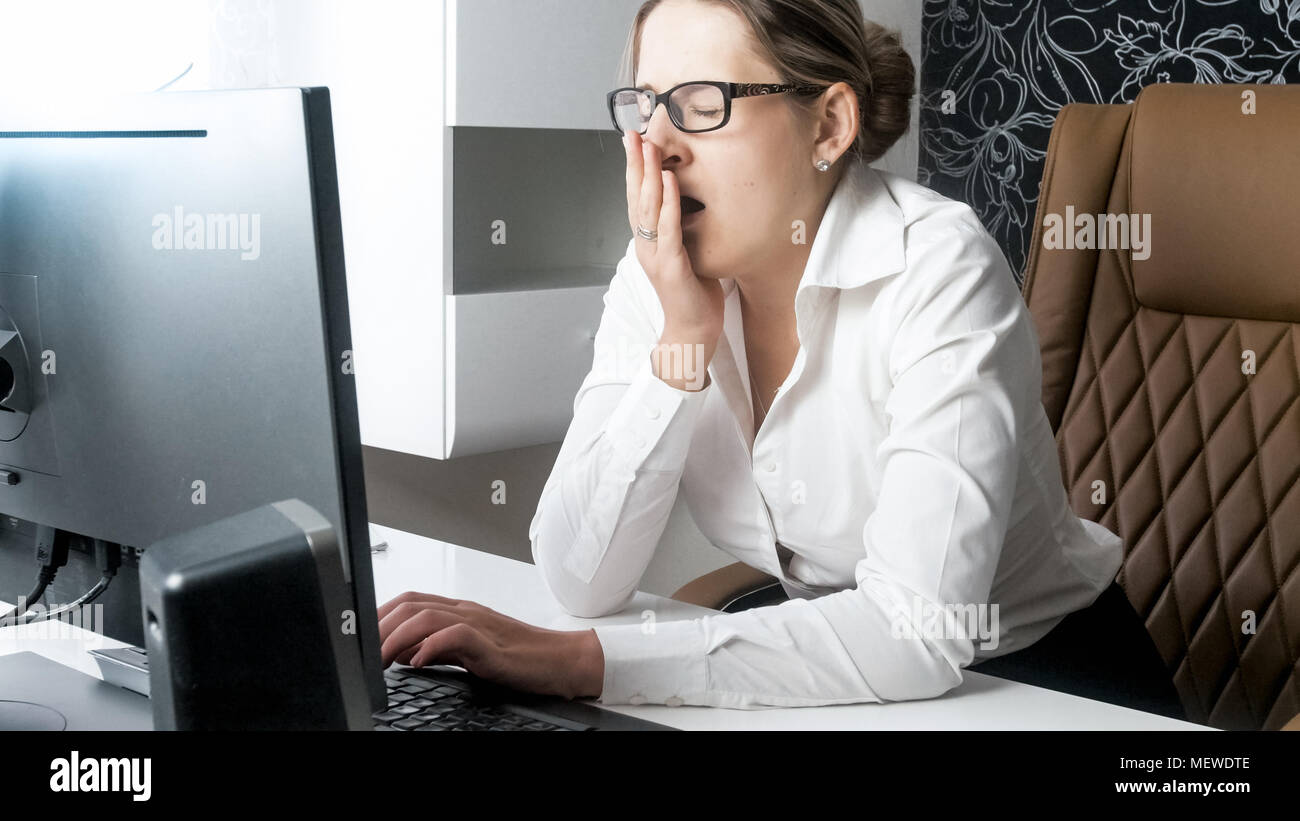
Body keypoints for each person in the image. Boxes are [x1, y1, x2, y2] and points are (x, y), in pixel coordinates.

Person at [376, 0, 1184, 720]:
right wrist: (682, 342)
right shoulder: (657, 275)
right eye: (645, 106)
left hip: (1041, 683)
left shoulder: (938, 267)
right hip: (834, 673)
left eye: (701, 105)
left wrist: (584, 663)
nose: (656, 146)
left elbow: (915, 632)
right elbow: (580, 577)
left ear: (829, 126)